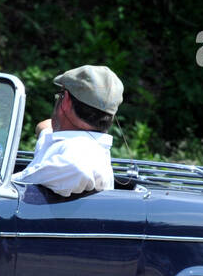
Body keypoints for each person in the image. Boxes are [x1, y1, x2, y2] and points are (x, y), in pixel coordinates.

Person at [13, 65, 123, 195]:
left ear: (65, 100)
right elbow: (45, 128)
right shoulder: (82, 144)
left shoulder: (76, 158)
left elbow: (9, 188)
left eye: (59, 95)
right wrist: (43, 130)